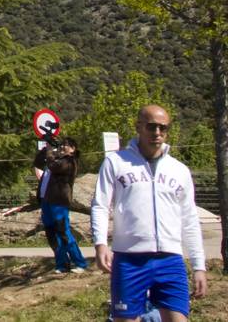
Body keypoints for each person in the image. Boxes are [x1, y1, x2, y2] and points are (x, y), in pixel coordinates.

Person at [91, 105, 207, 321]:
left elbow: (189, 219)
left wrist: (199, 266)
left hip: (170, 260)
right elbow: (100, 205)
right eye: (151, 126)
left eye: (163, 128)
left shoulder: (179, 170)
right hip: (129, 259)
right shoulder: (115, 162)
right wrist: (100, 244)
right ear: (138, 127)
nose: (157, 133)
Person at [33, 137, 88, 274]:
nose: (63, 147)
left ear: (74, 149)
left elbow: (55, 166)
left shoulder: (70, 161)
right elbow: (37, 163)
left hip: (59, 201)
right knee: (52, 233)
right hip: (46, 200)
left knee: (63, 231)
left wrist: (50, 153)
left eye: (67, 145)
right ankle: (62, 263)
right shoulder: (54, 159)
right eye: (62, 144)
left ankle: (80, 262)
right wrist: (45, 150)